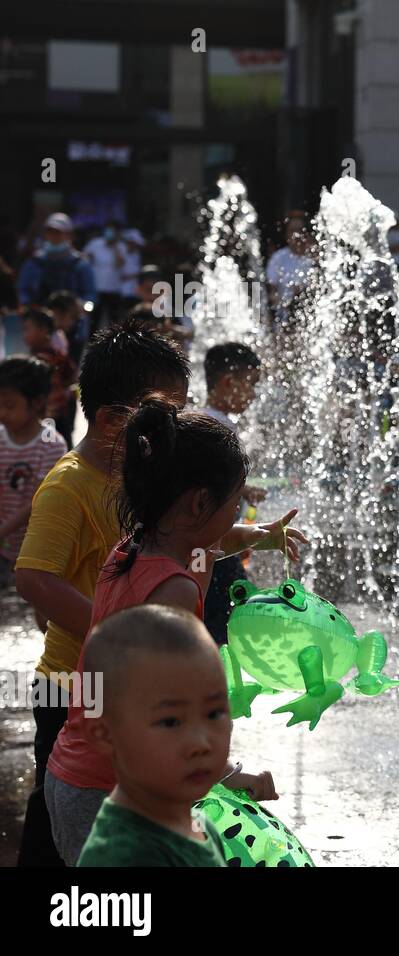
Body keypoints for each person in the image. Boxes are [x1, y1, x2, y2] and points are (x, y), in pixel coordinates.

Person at [44, 397, 303, 864]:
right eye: (236, 502)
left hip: (73, 772)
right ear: (200, 502)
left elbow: (215, 541)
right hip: (112, 792)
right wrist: (225, 774)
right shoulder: (175, 593)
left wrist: (262, 534)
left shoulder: (135, 548)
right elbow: (169, 709)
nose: (239, 513)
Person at [13, 321, 190, 867]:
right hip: (70, 684)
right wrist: (112, 629)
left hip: (117, 680)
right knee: (56, 802)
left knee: (100, 800)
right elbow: (34, 577)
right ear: (114, 420)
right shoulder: (69, 486)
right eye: (165, 416)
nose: (174, 428)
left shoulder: (132, 474)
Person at [73, 606, 233, 866]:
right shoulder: (124, 857)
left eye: (214, 713)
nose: (201, 744)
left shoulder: (199, 825)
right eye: (171, 721)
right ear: (104, 734)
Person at [199, 343, 268, 642]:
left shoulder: (204, 419)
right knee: (228, 613)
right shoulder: (219, 427)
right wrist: (241, 489)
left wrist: (242, 489)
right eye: (251, 384)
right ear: (228, 382)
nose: (253, 395)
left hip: (211, 542)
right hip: (216, 543)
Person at [0, 357, 67, 588]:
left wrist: (4, 530)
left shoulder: (51, 445)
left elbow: (38, 501)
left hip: (33, 545)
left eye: (9, 406)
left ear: (37, 402)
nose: (2, 413)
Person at [21, 307, 78, 445]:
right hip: (56, 412)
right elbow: (72, 378)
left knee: (49, 446)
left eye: (28, 329)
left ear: (44, 331)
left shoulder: (41, 359)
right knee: (59, 446)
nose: (24, 334)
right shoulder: (57, 355)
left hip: (49, 415)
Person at [17, 213, 96, 310]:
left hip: (72, 320)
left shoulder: (80, 263)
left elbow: (90, 295)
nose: (54, 236)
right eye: (50, 231)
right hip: (40, 319)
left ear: (69, 235)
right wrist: (26, 304)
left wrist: (83, 307)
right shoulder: (34, 262)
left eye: (58, 232)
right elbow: (23, 289)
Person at [265, 212, 315, 326]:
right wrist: (286, 300)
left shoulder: (314, 259)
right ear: (286, 234)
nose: (296, 235)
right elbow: (271, 293)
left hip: (310, 319)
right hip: (284, 320)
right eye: (292, 231)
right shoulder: (278, 258)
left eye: (300, 230)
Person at [81, 223, 127, 326]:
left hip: (114, 289)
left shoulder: (121, 247)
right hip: (97, 288)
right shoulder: (95, 243)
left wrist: (115, 247)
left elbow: (120, 263)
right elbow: (83, 257)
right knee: (94, 319)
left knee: (114, 319)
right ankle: (93, 340)